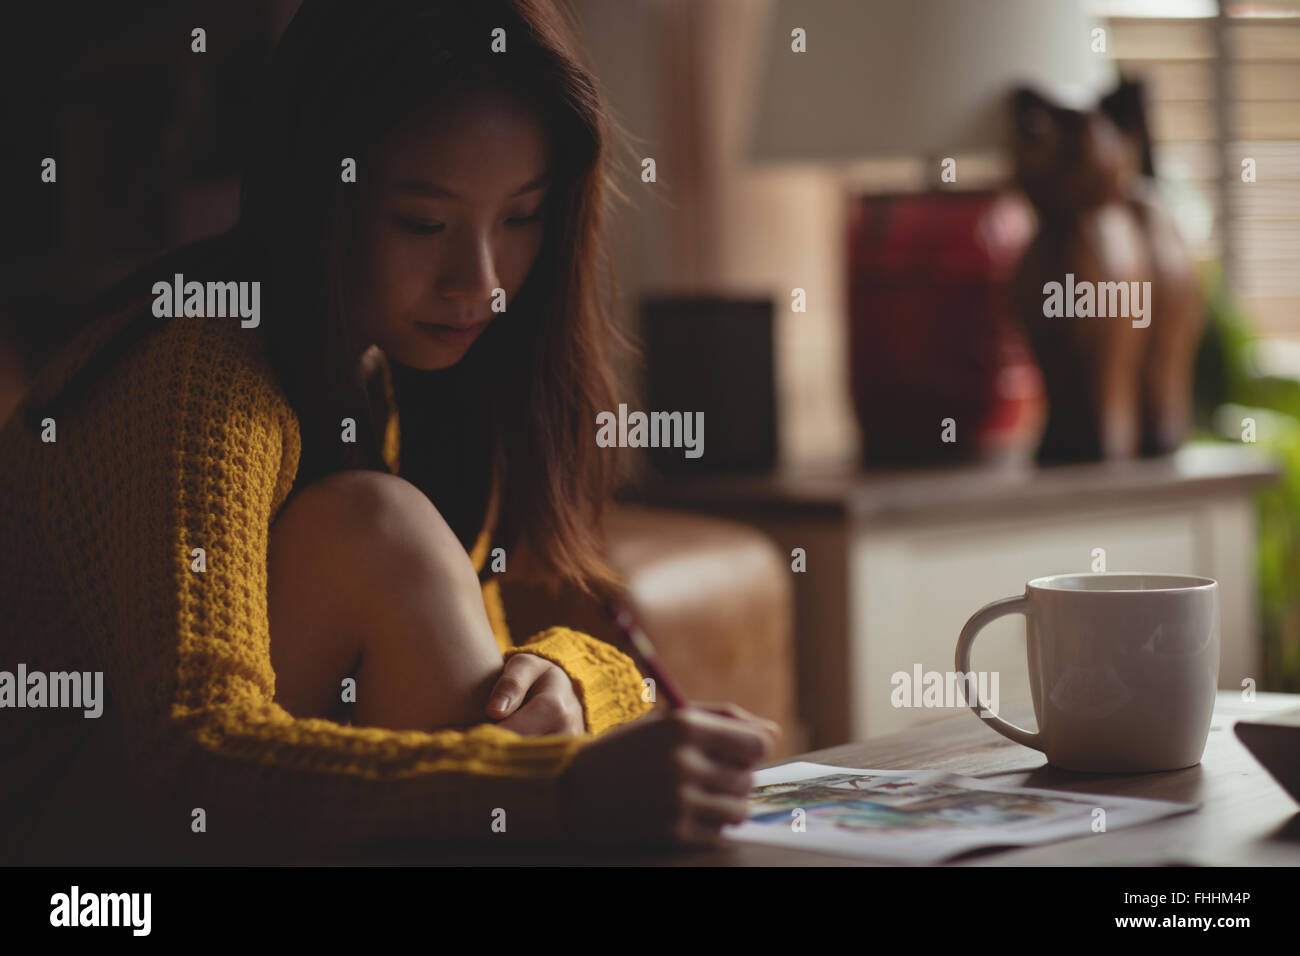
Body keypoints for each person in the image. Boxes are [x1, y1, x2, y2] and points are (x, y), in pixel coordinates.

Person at [0, 0, 777, 865]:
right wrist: (554, 790)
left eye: (521, 217)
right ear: (315, 195)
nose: (480, 283)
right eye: (423, 223)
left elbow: (476, 671)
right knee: (376, 529)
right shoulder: (203, 369)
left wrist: (574, 682)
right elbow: (191, 762)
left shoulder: (388, 370)